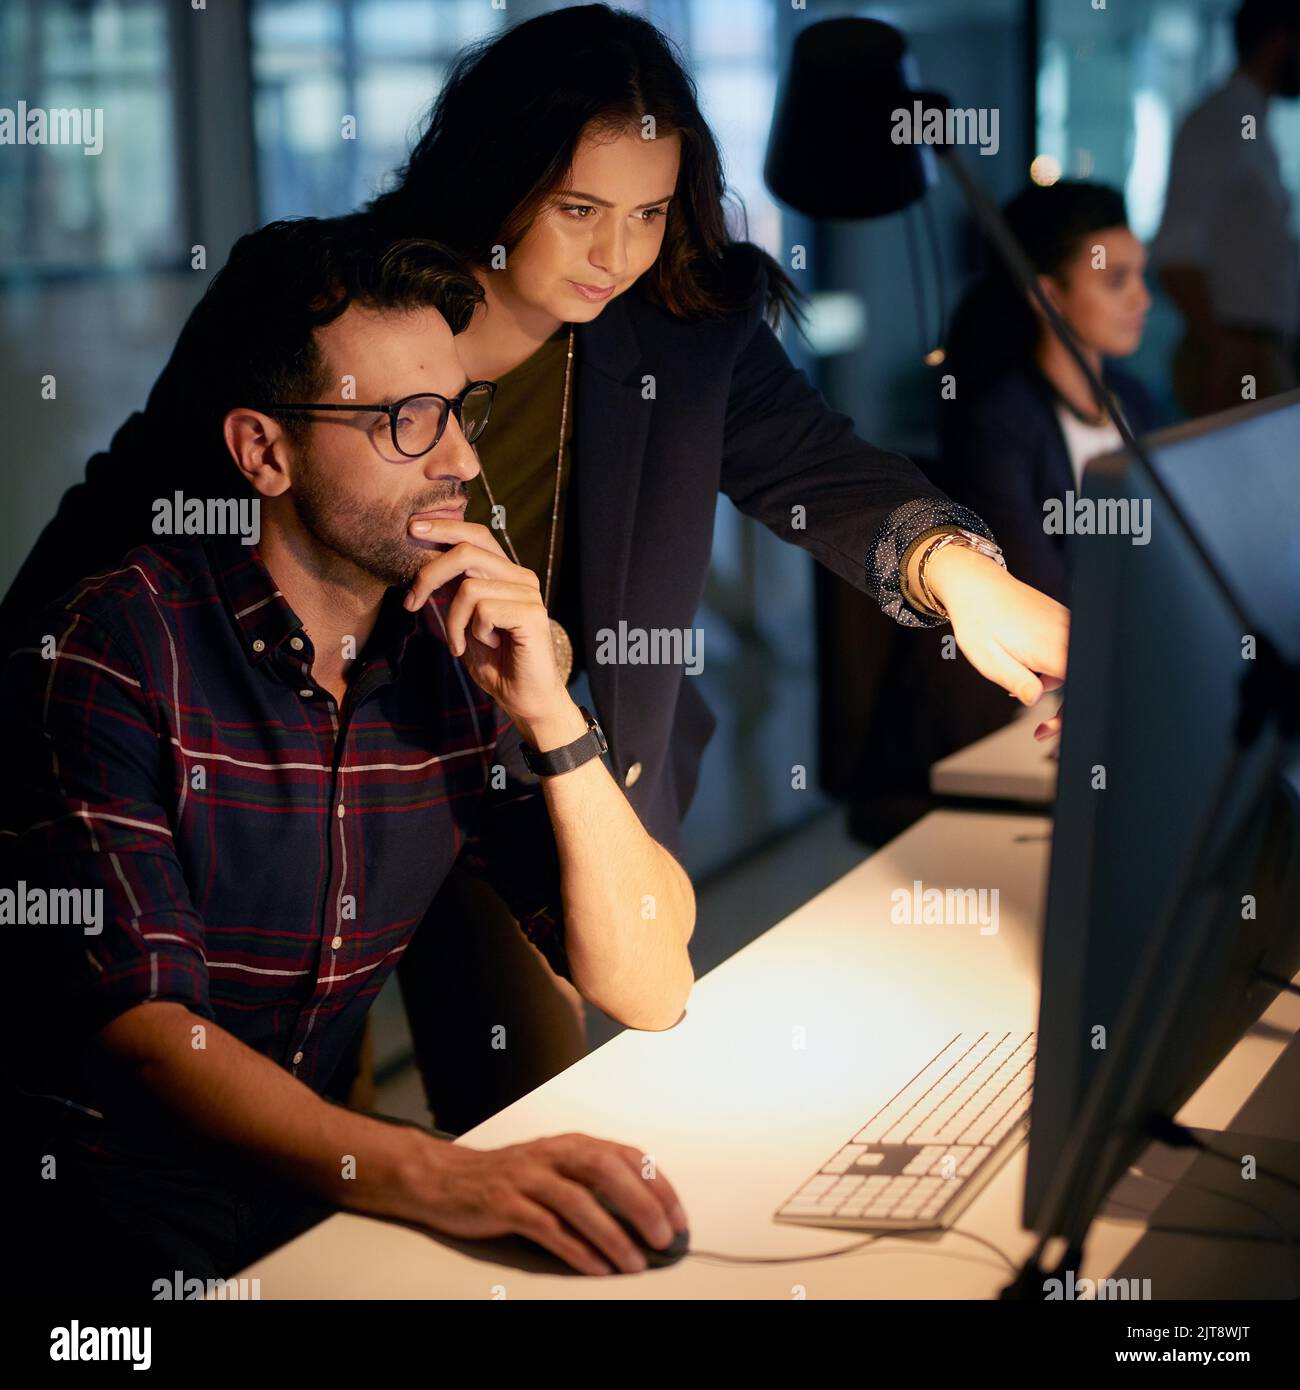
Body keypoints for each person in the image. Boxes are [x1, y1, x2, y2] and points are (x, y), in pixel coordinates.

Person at [0, 5, 1068, 1134]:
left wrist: (962, 575)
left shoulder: (680, 329)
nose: (617, 255)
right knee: (284, 1107)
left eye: (650, 214)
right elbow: (131, 508)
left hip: (525, 760)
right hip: (310, 750)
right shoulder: (353, 304)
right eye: (578, 211)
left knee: (542, 1108)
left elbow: (821, 467)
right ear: (499, 178)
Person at [2, 217, 693, 1290]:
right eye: (406, 421)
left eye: (458, 411)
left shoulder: (446, 655)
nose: (462, 459)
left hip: (311, 1216)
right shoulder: (116, 649)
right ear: (262, 452)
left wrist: (554, 718)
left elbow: (648, 983)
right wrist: (446, 1174)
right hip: (94, 1237)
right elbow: (144, 1039)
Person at [849, 182, 1160, 843]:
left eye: (1143, 276)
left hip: (1110, 679)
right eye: (1119, 281)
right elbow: (1036, 591)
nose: (1144, 299)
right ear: (1049, 295)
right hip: (1015, 696)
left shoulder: (1137, 402)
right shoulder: (1001, 421)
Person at [1153, 0, 1300, 416]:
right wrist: (1225, 352)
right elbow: (1175, 255)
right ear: (1278, 43)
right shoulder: (1221, 122)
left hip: (1255, 350)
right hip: (1238, 354)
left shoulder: (1248, 120)